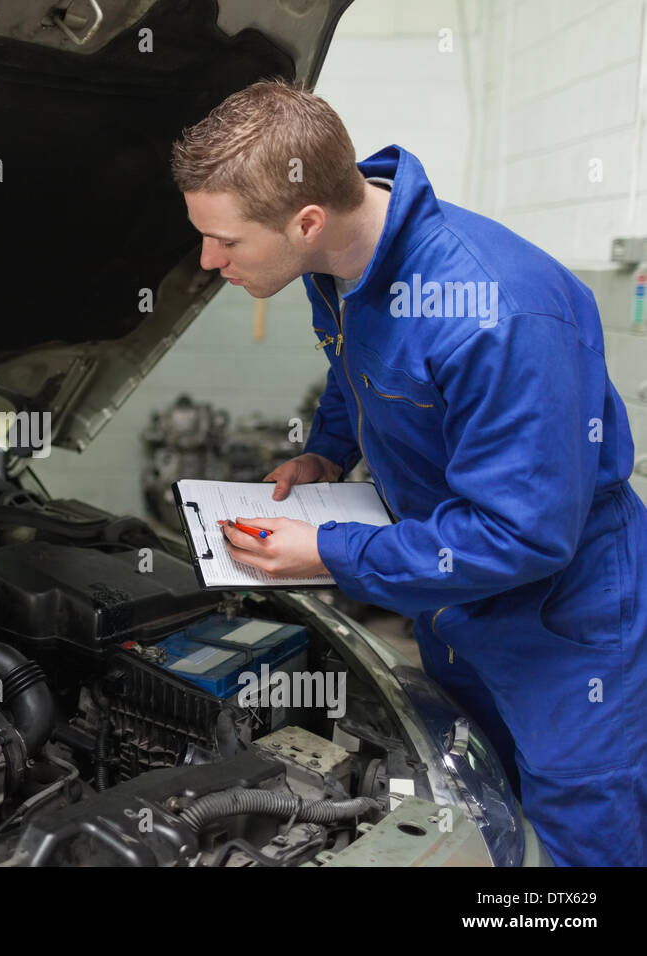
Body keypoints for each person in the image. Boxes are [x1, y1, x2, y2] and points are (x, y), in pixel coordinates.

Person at [170, 78, 647, 866]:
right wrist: (327, 450)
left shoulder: (496, 314)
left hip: (563, 621)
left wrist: (331, 552)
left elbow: (522, 534)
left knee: (582, 837)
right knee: (475, 805)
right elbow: (355, 368)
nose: (208, 259)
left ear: (306, 220)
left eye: (225, 241)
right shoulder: (338, 264)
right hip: (450, 597)